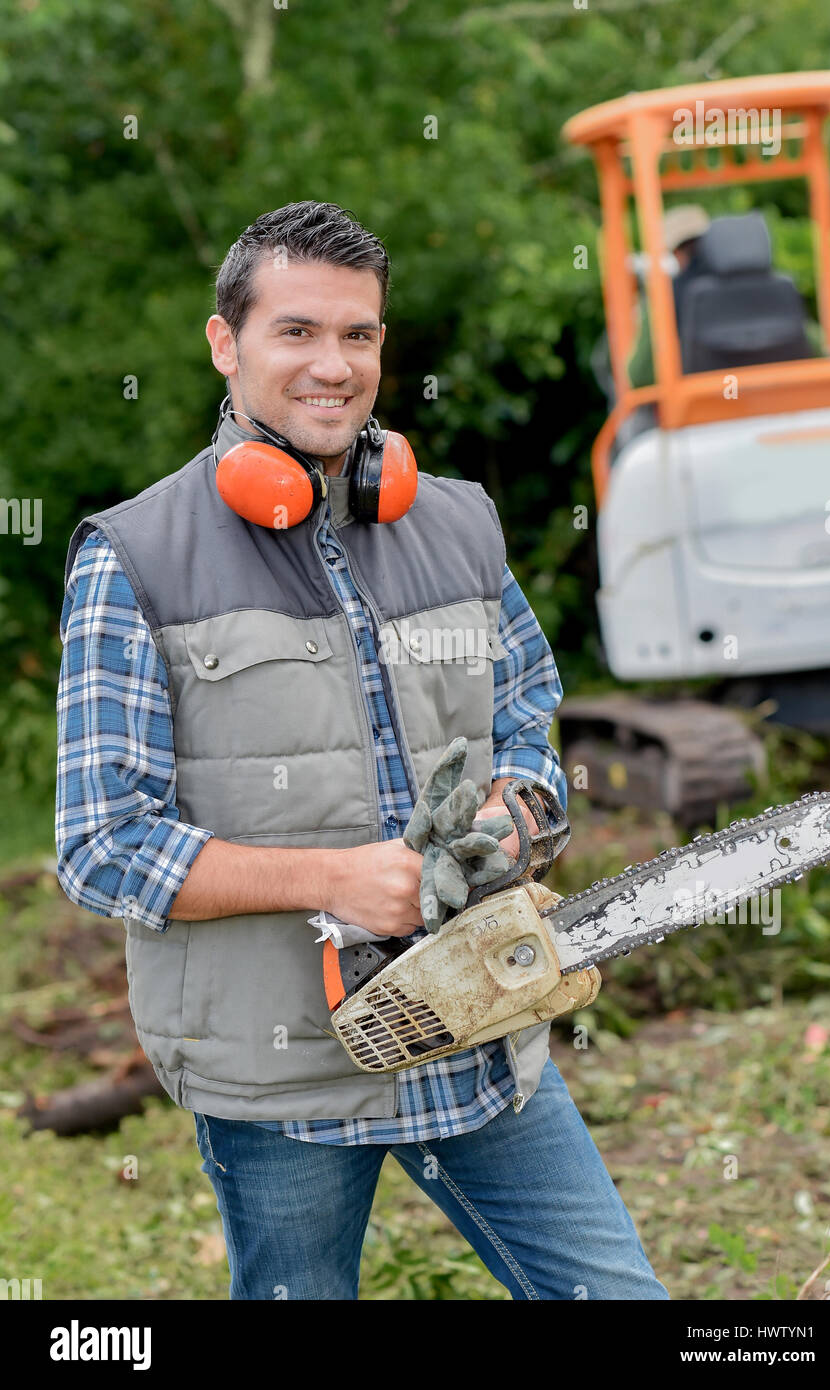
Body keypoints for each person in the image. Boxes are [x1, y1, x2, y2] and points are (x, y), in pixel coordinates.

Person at [56, 200, 669, 1302]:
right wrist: (333, 880)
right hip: (279, 1080)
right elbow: (101, 846)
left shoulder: (460, 523)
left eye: (360, 335)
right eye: (296, 331)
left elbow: (528, 719)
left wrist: (516, 815)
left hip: (481, 1036)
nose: (333, 365)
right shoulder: (135, 559)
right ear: (223, 343)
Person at [626, 203, 710, 389]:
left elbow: (640, 375)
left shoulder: (667, 296)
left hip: (692, 403)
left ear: (676, 252)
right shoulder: (760, 284)